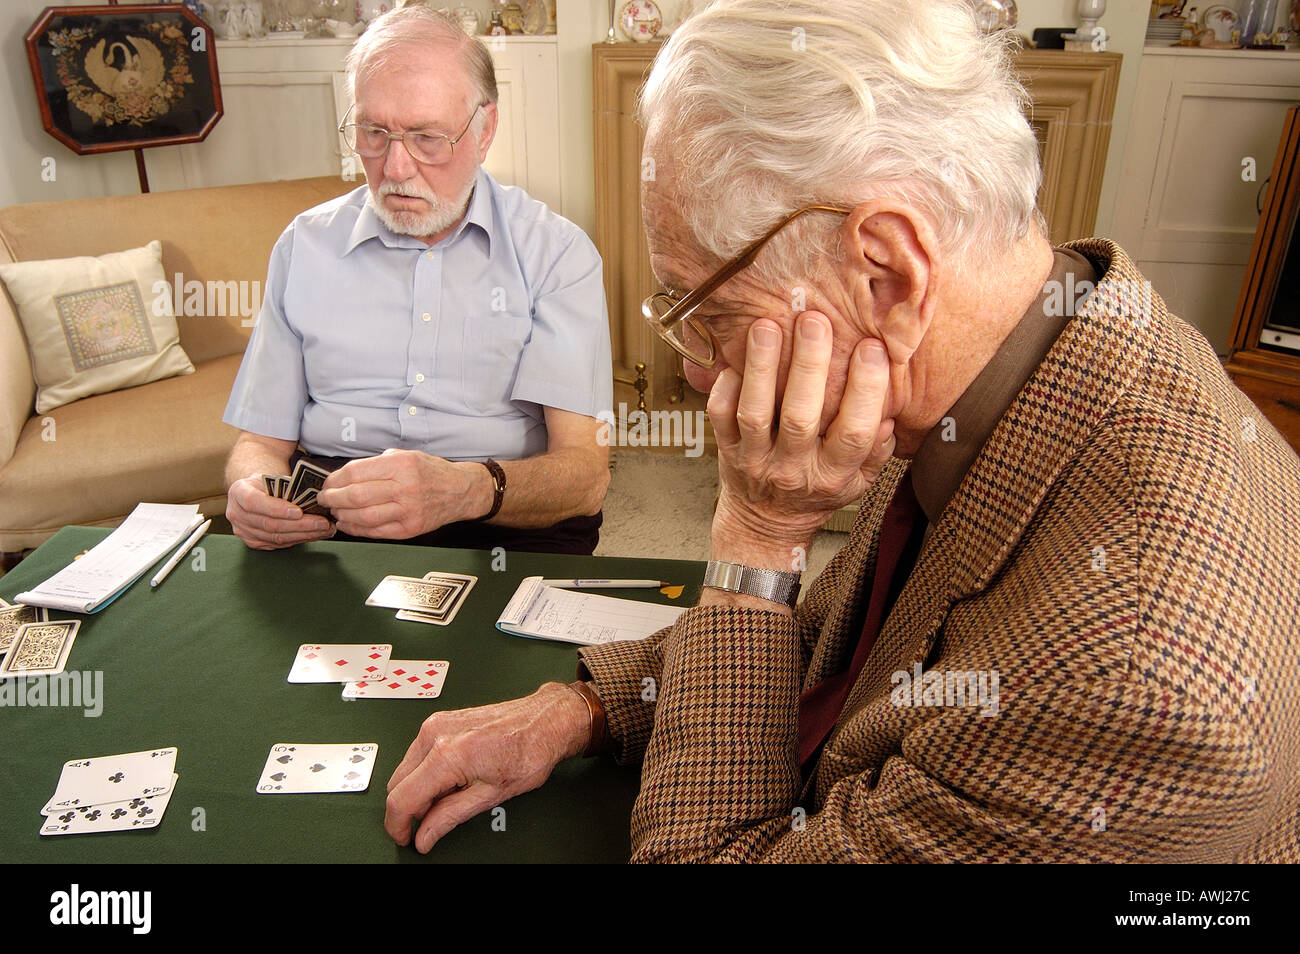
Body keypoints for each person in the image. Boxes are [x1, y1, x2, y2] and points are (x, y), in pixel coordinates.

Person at [382, 0, 1300, 861]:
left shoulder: (1135, 692)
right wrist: (582, 709)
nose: (698, 371)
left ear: (886, 274)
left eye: (707, 308)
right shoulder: (1023, 346)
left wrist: (756, 535)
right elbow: (850, 634)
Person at [222, 6, 612, 555]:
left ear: (485, 130)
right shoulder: (303, 245)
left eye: (427, 137)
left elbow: (586, 475)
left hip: (499, 513)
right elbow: (259, 440)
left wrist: (463, 491)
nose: (396, 168)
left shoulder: (558, 254)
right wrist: (250, 489)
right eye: (373, 133)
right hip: (335, 519)